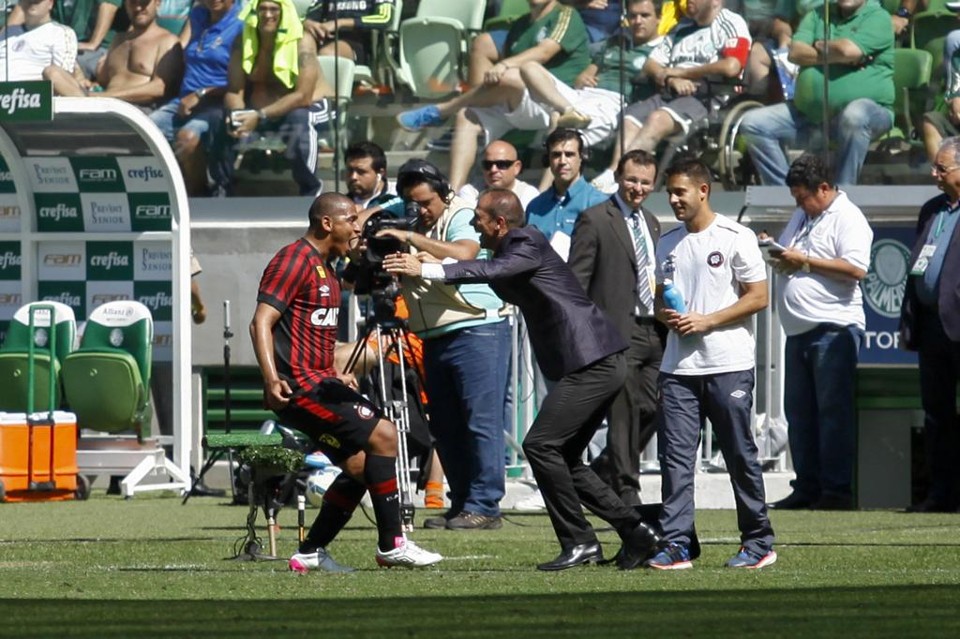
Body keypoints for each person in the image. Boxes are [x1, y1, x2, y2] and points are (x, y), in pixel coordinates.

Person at [383, 187, 661, 570]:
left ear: (499, 223)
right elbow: (484, 267)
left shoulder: (526, 240)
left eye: (479, 217)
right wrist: (435, 261)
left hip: (593, 361)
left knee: (542, 446)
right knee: (561, 456)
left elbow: (493, 271)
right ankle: (638, 533)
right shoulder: (508, 248)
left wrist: (427, 268)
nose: (474, 223)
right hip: (593, 362)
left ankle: (581, 541)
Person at [250, 192, 442, 572]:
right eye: (350, 220)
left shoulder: (327, 268)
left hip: (323, 381)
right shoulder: (293, 260)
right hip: (299, 387)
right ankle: (393, 544)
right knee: (385, 434)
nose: (357, 228)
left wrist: (338, 371)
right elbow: (261, 322)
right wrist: (272, 379)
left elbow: (311, 334)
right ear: (327, 223)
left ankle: (309, 553)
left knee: (361, 468)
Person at [647, 157, 776, 570]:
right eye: (670, 192)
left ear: (703, 191)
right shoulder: (667, 242)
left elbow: (758, 296)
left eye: (680, 192)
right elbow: (658, 300)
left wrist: (708, 320)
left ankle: (758, 542)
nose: (673, 199)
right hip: (678, 368)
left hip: (728, 363)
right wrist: (666, 315)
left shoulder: (735, 236)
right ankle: (677, 543)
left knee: (739, 454)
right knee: (676, 461)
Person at [375, 160, 511, 531]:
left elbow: (465, 252)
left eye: (425, 202)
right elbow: (367, 218)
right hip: (433, 334)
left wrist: (410, 239)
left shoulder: (463, 213)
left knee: (480, 422)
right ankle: (463, 502)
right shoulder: (407, 217)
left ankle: (485, 506)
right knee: (447, 426)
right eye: (411, 203)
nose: (419, 210)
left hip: (477, 327)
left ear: (443, 193)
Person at [764, 153, 872, 512]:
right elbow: (793, 255)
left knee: (832, 414)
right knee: (800, 413)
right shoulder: (804, 214)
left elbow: (856, 268)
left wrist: (804, 262)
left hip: (833, 328)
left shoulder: (848, 217)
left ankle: (836, 491)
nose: (799, 205)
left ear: (823, 188)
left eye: (802, 197)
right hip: (799, 330)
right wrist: (775, 251)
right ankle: (807, 486)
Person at [395, 0, 591, 190]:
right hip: (525, 103)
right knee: (467, 115)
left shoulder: (566, 14)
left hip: (557, 98)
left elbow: (544, 52)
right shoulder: (521, 25)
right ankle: (454, 192)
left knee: (512, 75)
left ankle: (443, 110)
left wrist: (504, 64)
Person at [568, 149, 664, 507]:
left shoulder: (652, 222)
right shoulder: (595, 219)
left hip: (653, 329)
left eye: (644, 182)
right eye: (631, 180)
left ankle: (605, 467)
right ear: (619, 178)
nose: (637, 188)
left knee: (658, 404)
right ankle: (627, 487)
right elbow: (576, 283)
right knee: (622, 409)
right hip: (615, 332)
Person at [590, 0, 751, 193]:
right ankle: (613, 172)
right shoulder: (681, 28)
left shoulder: (730, 23)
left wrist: (682, 73)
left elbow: (732, 66)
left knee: (656, 119)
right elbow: (650, 63)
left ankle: (626, 179)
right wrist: (670, 78)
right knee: (630, 118)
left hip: (707, 96)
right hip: (670, 91)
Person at [739, 0, 894, 186]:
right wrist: (838, 55)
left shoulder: (878, 17)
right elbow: (795, 52)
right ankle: (788, 196)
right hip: (810, 116)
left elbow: (848, 50)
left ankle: (842, 197)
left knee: (854, 115)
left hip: (870, 113)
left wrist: (818, 44)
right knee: (753, 124)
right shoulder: (818, 14)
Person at [899, 136, 960, 513]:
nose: (933, 173)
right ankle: (941, 494)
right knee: (937, 413)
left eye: (942, 168)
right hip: (933, 326)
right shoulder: (932, 209)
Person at [220, 0, 334, 197]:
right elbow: (234, 89)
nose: (267, 14)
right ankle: (221, 190)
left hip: (315, 106)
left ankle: (310, 189)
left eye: (274, 9)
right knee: (220, 119)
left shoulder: (301, 41)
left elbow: (303, 96)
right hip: (264, 113)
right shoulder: (243, 41)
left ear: (284, 12)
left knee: (299, 117)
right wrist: (237, 114)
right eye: (262, 9)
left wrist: (260, 115)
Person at [518, 0, 663, 141]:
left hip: (612, 102)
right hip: (581, 95)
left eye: (645, 15)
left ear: (659, 18)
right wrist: (582, 79)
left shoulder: (662, 49)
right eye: (632, 16)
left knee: (562, 135)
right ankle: (568, 110)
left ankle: (564, 118)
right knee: (529, 66)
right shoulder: (616, 42)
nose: (637, 21)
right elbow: (584, 75)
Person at [149, 0, 244, 196]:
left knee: (187, 138)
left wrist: (201, 94)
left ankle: (197, 194)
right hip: (183, 100)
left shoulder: (242, 23)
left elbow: (244, 81)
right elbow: (180, 48)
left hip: (217, 103)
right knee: (146, 130)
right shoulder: (198, 15)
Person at [44, 0, 183, 111]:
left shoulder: (167, 41)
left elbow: (159, 89)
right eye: (133, 3)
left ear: (157, 3)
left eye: (144, 3)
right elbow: (103, 80)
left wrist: (106, 96)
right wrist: (85, 81)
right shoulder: (119, 39)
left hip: (135, 110)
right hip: (104, 104)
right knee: (52, 72)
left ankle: (84, 107)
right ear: (126, 5)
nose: (139, 8)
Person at [525, 128, 608, 255]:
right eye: (556, 155)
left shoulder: (600, 203)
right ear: (548, 159)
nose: (562, 161)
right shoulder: (534, 207)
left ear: (582, 157)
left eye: (569, 154)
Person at [0, 0, 78, 82]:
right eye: (29, 1)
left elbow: (64, 77)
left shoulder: (60, 32)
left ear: (50, 4)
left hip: (32, 91)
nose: (32, 4)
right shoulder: (8, 33)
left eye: (37, 2)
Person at [302, 0, 396, 62]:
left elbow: (385, 18)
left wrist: (341, 23)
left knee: (327, 55)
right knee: (302, 46)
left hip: (356, 43)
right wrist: (307, 23)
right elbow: (307, 17)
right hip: (322, 37)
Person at [457, 140, 541, 209]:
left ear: (517, 167)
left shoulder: (528, 194)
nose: (493, 170)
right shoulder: (471, 192)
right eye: (488, 165)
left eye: (501, 164)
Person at [344, 141, 395, 209]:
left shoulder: (398, 195)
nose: (353, 177)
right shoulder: (342, 205)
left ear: (381, 173)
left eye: (361, 171)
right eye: (350, 170)